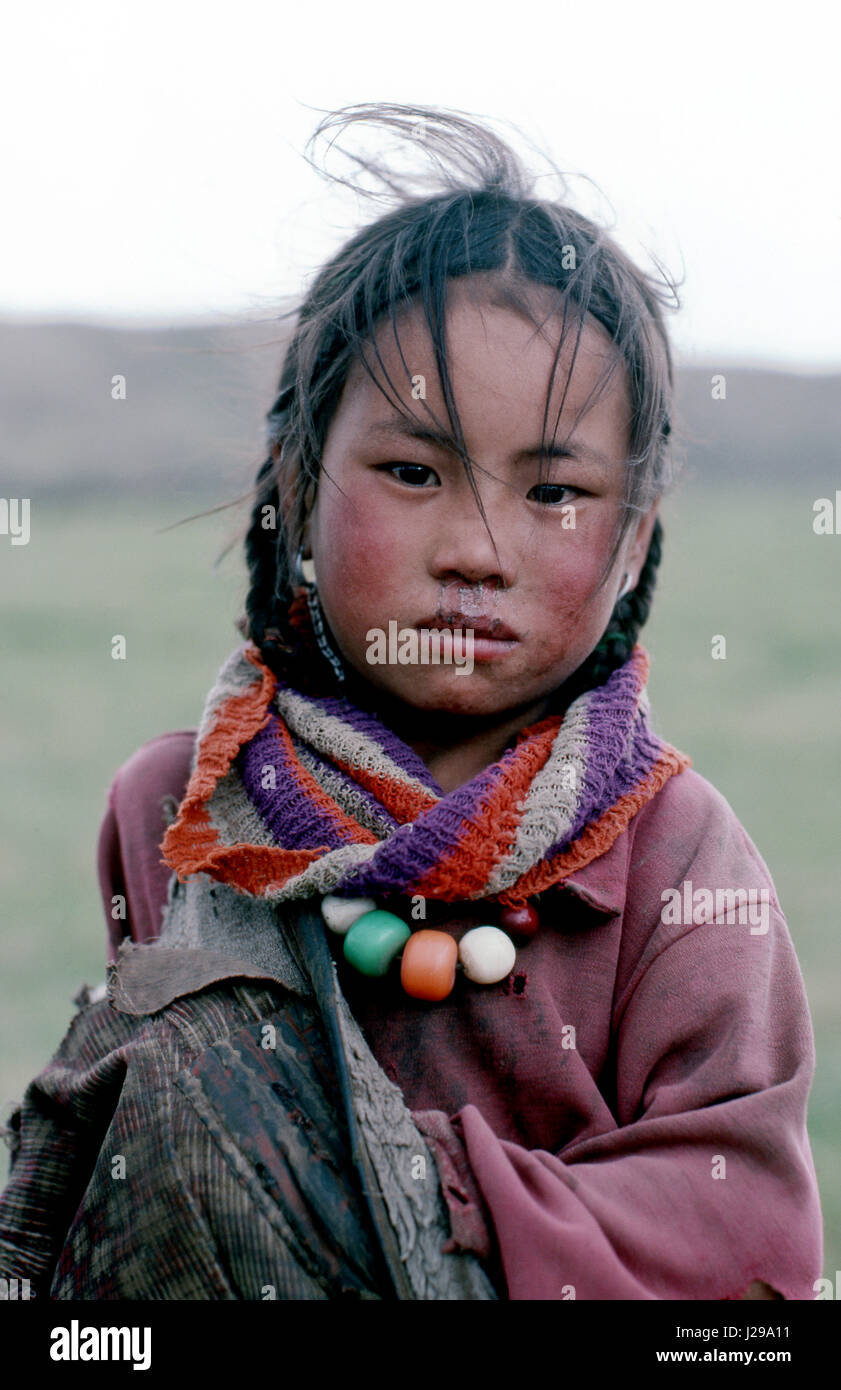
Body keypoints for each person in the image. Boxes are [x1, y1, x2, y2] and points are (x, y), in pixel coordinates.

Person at [0, 103, 823, 1301]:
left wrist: (398, 1183)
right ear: (294, 489)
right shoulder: (185, 816)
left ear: (635, 543)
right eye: (411, 470)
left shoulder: (674, 854)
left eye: (553, 491)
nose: (477, 549)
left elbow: (749, 1238)